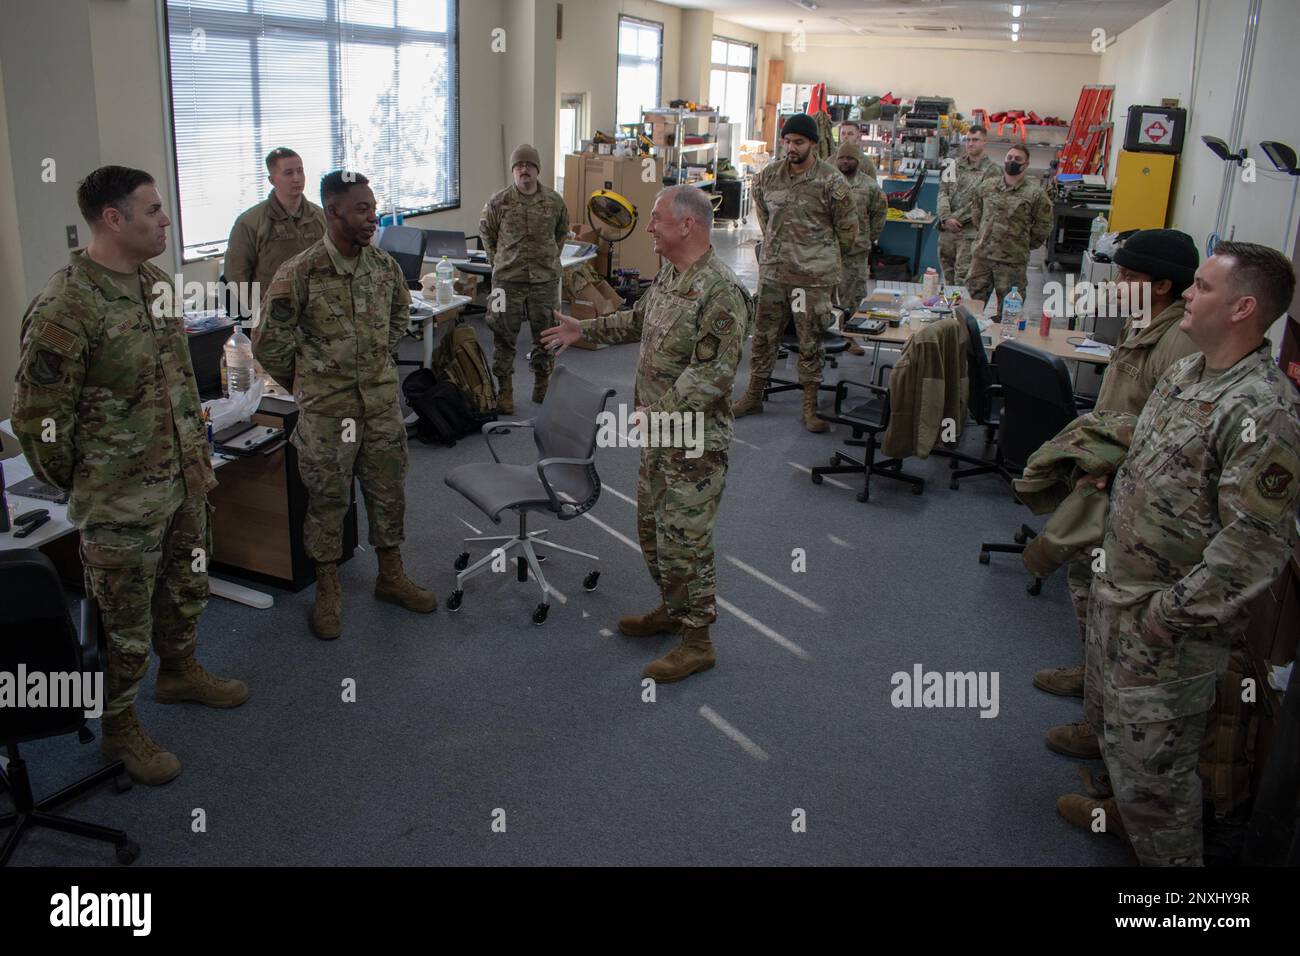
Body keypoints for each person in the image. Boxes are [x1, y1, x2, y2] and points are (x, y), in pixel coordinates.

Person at [1059, 241, 1300, 866]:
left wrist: (1170, 613)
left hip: (1170, 624)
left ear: (1244, 307)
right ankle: (1121, 813)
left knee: (1159, 777)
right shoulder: (1187, 373)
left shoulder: (1264, 410)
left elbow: (1254, 544)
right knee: (1120, 738)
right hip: (1124, 591)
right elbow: (1154, 459)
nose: (1188, 295)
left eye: (1203, 287)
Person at [12, 166, 249, 786]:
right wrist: (91, 481)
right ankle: (120, 728)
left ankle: (180, 672)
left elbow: (175, 377)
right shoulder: (68, 304)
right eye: (152, 211)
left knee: (186, 587)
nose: (165, 220)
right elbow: (37, 422)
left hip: (183, 480)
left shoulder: (152, 282)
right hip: (120, 501)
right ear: (112, 219)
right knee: (124, 622)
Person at [540, 185, 749, 683]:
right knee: (653, 534)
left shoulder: (721, 292)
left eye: (656, 218)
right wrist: (583, 331)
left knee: (685, 543)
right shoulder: (673, 276)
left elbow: (712, 376)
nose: (649, 226)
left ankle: (697, 641)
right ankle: (672, 610)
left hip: (694, 443)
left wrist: (659, 411)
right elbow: (638, 320)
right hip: (659, 435)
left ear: (687, 225)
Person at [1036, 230, 1201, 765]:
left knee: (1109, 600)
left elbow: (1167, 428)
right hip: (1109, 471)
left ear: (1162, 285)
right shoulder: (1146, 320)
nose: (1118, 282)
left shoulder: (1179, 341)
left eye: (1129, 276)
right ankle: (1092, 680)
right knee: (1087, 585)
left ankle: (1100, 725)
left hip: (1133, 489)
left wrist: (1112, 463)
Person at [254, 170, 436, 641]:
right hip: (327, 413)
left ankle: (390, 575)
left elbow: (401, 313)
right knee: (328, 500)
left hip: (379, 406)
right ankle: (328, 587)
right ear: (332, 211)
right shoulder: (300, 273)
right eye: (361, 209)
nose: (371, 217)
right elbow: (268, 343)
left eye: (373, 207)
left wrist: (376, 356)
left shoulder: (383, 266)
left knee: (387, 491)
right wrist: (307, 384)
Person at [733, 113, 857, 432]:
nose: (791, 147)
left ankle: (809, 405)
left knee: (809, 339)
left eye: (798, 142)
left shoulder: (831, 181)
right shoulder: (767, 177)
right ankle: (754, 395)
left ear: (813, 144)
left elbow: (848, 231)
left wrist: (818, 255)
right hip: (774, 275)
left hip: (810, 281)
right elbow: (765, 218)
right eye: (787, 141)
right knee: (763, 337)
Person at [479, 143, 570, 414]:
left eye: (529, 165)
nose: (524, 170)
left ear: (537, 169)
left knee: (547, 335)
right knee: (502, 335)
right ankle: (504, 391)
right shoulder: (499, 202)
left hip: (545, 280)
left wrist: (548, 260)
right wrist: (498, 262)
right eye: (519, 166)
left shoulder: (554, 201)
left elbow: (562, 233)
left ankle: (542, 385)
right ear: (513, 170)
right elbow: (486, 234)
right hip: (506, 282)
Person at [225, 147, 326, 313]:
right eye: (288, 173)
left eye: (300, 171)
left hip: (316, 312)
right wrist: (257, 311)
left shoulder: (320, 216)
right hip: (273, 315)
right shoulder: (251, 222)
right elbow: (237, 275)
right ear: (272, 180)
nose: (296, 178)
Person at [964, 143, 1052, 312]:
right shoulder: (987, 186)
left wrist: (1022, 244)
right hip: (982, 258)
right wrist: (985, 234)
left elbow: (1043, 226)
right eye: (1009, 158)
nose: (1013, 161)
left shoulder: (1036, 193)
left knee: (1009, 313)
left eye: (1018, 159)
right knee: (970, 309)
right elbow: (976, 214)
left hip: (1012, 263)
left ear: (1026, 164)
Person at [834, 143, 887, 355]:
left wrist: (867, 238)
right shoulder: (829, 182)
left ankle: (849, 337)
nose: (845, 162)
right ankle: (820, 334)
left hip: (856, 252)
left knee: (853, 296)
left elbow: (879, 215)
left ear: (858, 161)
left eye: (849, 159)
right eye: (842, 158)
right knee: (822, 295)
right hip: (828, 249)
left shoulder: (870, 186)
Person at [937, 125, 999, 286]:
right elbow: (943, 192)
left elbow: (982, 203)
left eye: (975, 140)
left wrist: (955, 219)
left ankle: (959, 311)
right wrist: (945, 217)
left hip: (969, 233)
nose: (971, 144)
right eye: (968, 140)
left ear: (985, 142)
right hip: (947, 232)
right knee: (947, 277)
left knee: (962, 278)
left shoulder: (993, 171)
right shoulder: (954, 165)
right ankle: (947, 310)